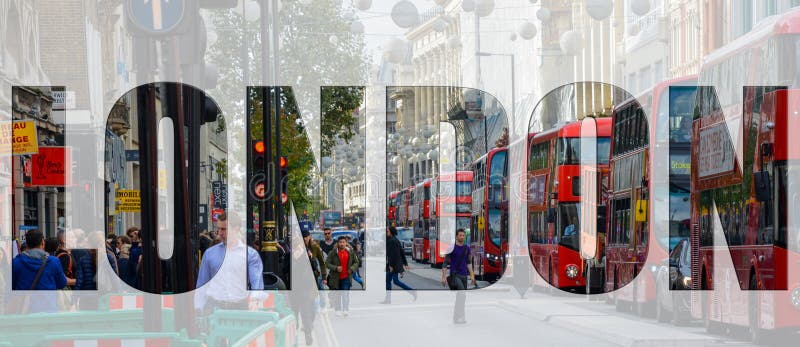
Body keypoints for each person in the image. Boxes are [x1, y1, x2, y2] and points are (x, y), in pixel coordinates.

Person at [195, 212, 263, 317]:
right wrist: (198, 308)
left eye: (224, 229)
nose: (219, 233)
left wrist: (255, 301)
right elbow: (202, 284)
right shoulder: (209, 254)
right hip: (213, 309)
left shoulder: (250, 255)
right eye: (219, 229)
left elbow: (257, 283)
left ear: (236, 228)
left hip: (240, 309)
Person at [11, 230, 67, 313]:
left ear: (27, 243)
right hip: (49, 309)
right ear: (43, 243)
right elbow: (62, 283)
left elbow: (12, 286)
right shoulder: (54, 261)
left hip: (24, 310)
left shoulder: (16, 262)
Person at [441, 229, 476, 324]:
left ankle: (457, 317)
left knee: (461, 297)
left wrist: (472, 276)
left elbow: (469, 263)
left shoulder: (467, 248)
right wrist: (444, 277)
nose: (462, 237)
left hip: (464, 275)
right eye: (460, 235)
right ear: (456, 236)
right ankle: (460, 316)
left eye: (463, 235)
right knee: (462, 294)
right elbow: (445, 264)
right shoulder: (451, 248)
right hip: (455, 275)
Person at [381, 226, 416, 304]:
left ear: (391, 232)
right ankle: (412, 292)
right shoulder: (396, 240)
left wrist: (390, 265)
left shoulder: (391, 241)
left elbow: (391, 254)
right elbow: (401, 252)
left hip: (393, 264)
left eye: (387, 231)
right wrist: (405, 263)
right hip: (396, 263)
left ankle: (388, 299)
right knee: (395, 281)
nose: (386, 233)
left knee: (389, 281)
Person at [326, 236, 359, 316]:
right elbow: (327, 263)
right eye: (340, 242)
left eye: (343, 242)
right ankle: (337, 309)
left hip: (346, 277)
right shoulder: (333, 253)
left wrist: (351, 269)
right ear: (338, 243)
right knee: (337, 294)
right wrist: (336, 268)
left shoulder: (350, 252)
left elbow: (356, 262)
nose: (342, 244)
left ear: (346, 243)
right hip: (336, 278)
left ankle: (345, 309)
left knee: (345, 294)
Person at [302, 229, 328, 310]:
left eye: (306, 237)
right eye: (303, 237)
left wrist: (324, 277)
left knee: (320, 288)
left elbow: (322, 262)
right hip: (305, 275)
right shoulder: (300, 247)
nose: (304, 239)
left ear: (309, 237)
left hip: (316, 273)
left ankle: (322, 305)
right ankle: (313, 308)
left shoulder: (314, 246)